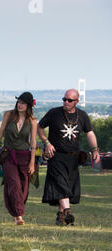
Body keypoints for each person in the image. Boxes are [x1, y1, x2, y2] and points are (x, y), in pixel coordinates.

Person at [37, 89, 100, 226]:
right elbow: (39, 127)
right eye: (64, 99)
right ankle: (67, 211)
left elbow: (89, 133)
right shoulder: (54, 113)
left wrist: (95, 150)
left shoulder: (82, 116)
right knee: (61, 184)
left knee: (68, 187)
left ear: (76, 101)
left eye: (69, 100)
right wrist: (46, 142)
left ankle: (60, 217)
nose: (66, 102)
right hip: (56, 155)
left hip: (73, 158)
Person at [0, 92, 37, 225]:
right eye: (19, 102)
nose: (20, 105)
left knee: (24, 187)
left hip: (25, 156)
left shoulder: (32, 120)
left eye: (23, 103)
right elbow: (0, 134)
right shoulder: (8, 115)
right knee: (14, 183)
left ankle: (17, 210)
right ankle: (18, 216)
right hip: (8, 155)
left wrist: (32, 162)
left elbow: (33, 142)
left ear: (28, 106)